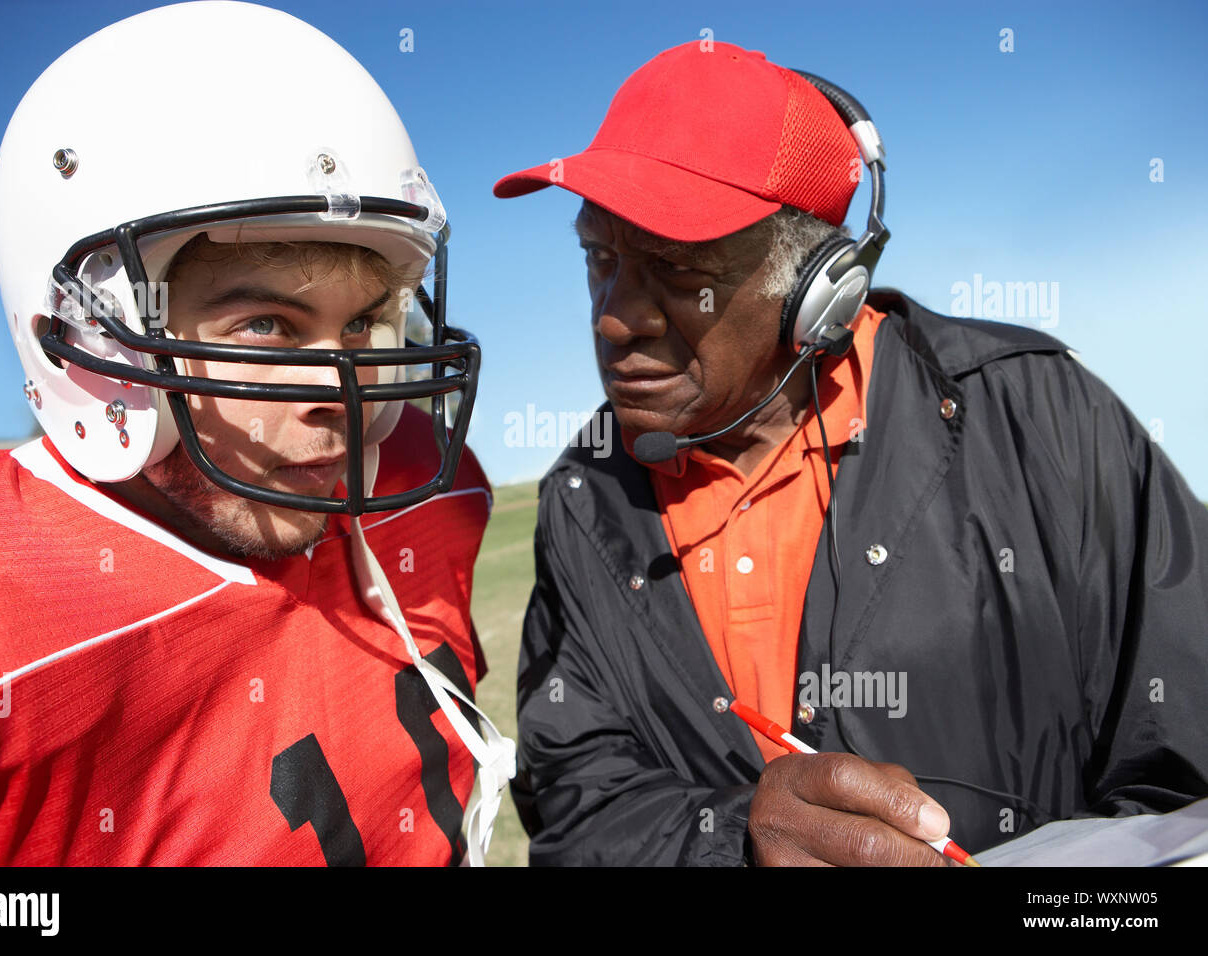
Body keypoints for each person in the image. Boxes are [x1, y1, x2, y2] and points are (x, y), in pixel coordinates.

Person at [494, 40, 1208, 865]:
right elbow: (576, 803)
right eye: (600, 258)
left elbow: (1185, 761)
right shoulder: (581, 502)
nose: (615, 319)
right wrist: (734, 842)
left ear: (818, 289)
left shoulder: (1040, 417)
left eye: (677, 268)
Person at [0, 1, 513, 867]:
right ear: (91, 338)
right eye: (266, 326)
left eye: (366, 322)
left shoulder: (431, 490)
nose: (341, 395)